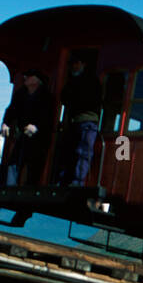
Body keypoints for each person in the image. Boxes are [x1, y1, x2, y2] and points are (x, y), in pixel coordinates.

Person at [0, 70, 54, 187]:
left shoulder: (46, 96)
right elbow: (11, 110)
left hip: (40, 137)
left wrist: (37, 126)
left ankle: (32, 186)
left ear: (37, 80)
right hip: (23, 134)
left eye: (29, 76)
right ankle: (10, 185)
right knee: (14, 160)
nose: (25, 78)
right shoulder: (21, 94)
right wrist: (5, 123)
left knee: (35, 162)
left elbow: (48, 116)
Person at [60, 56, 102, 186]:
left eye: (77, 63)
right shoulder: (75, 81)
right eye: (73, 64)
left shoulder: (90, 80)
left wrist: (75, 102)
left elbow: (70, 99)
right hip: (77, 121)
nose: (74, 66)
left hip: (87, 121)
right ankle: (67, 180)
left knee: (83, 151)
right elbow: (64, 98)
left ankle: (77, 181)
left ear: (83, 64)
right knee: (72, 151)